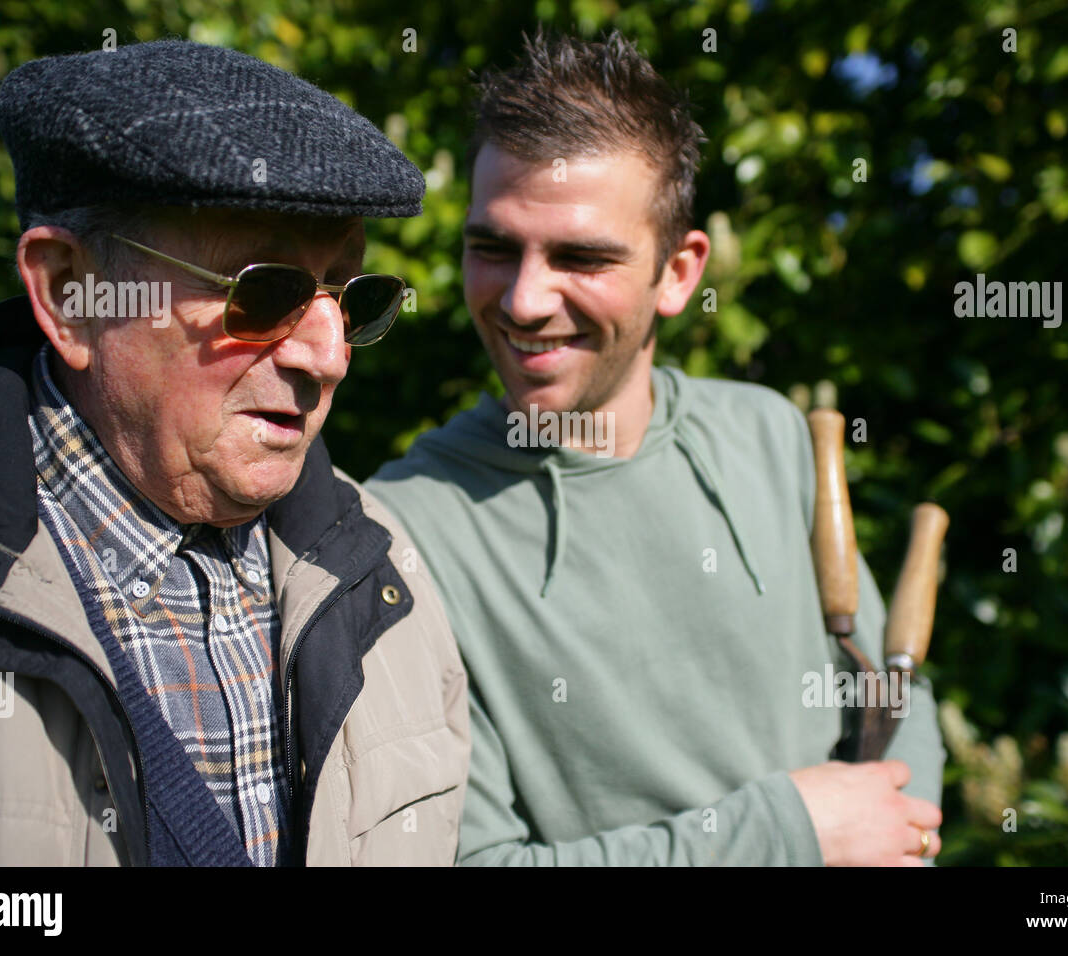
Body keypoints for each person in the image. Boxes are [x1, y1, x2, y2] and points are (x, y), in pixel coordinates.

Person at [367, 31, 945, 865]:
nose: (524, 301)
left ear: (678, 272)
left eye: (581, 257)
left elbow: (893, 695)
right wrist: (787, 835)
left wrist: (910, 829)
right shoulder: (403, 531)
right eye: (492, 248)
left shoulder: (769, 435)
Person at [0, 39, 469, 866]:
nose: (328, 355)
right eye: (265, 291)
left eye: (352, 297)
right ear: (70, 292)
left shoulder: (385, 575)